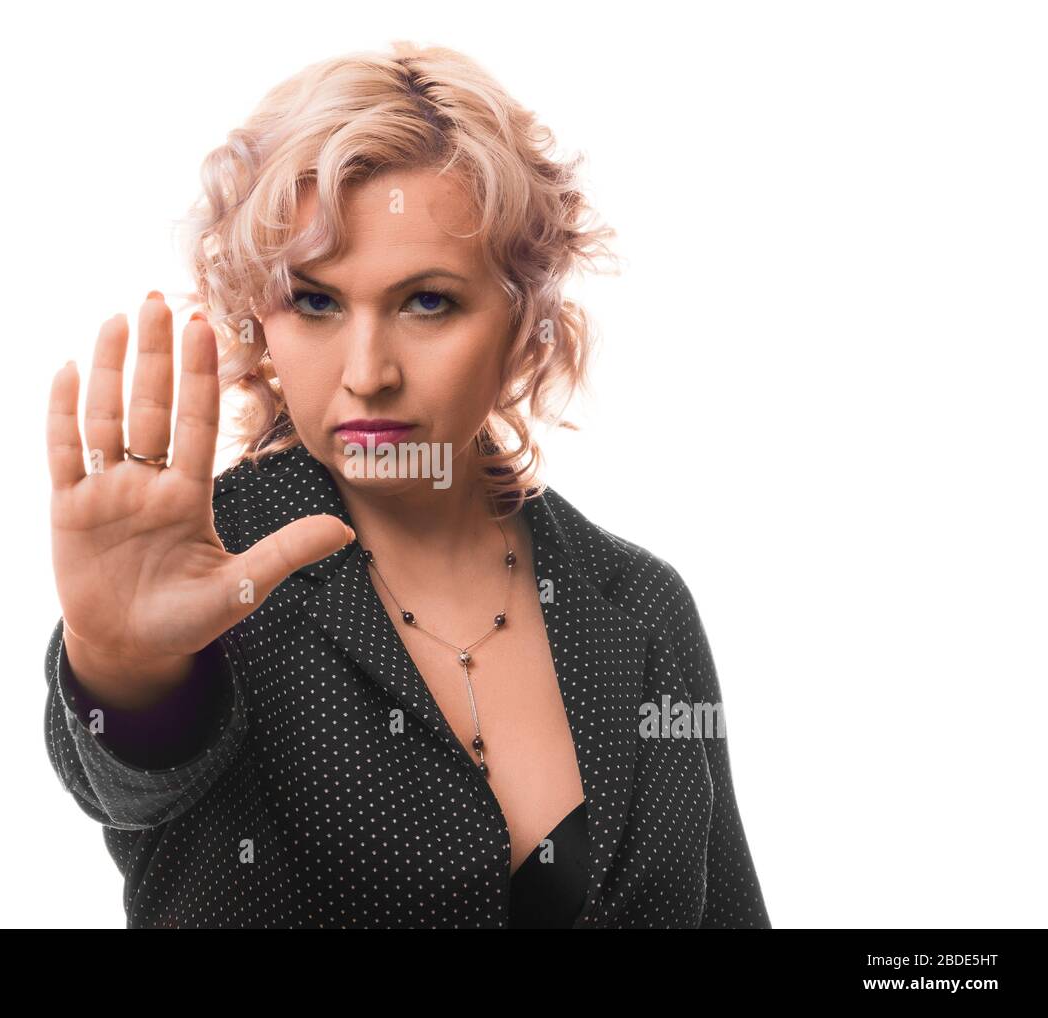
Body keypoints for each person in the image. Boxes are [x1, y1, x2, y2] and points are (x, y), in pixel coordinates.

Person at [42, 41, 770, 929]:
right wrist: (122, 670)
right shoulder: (204, 571)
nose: (367, 372)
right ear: (258, 323)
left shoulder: (643, 609)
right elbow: (130, 779)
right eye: (314, 302)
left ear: (523, 325)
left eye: (427, 301)